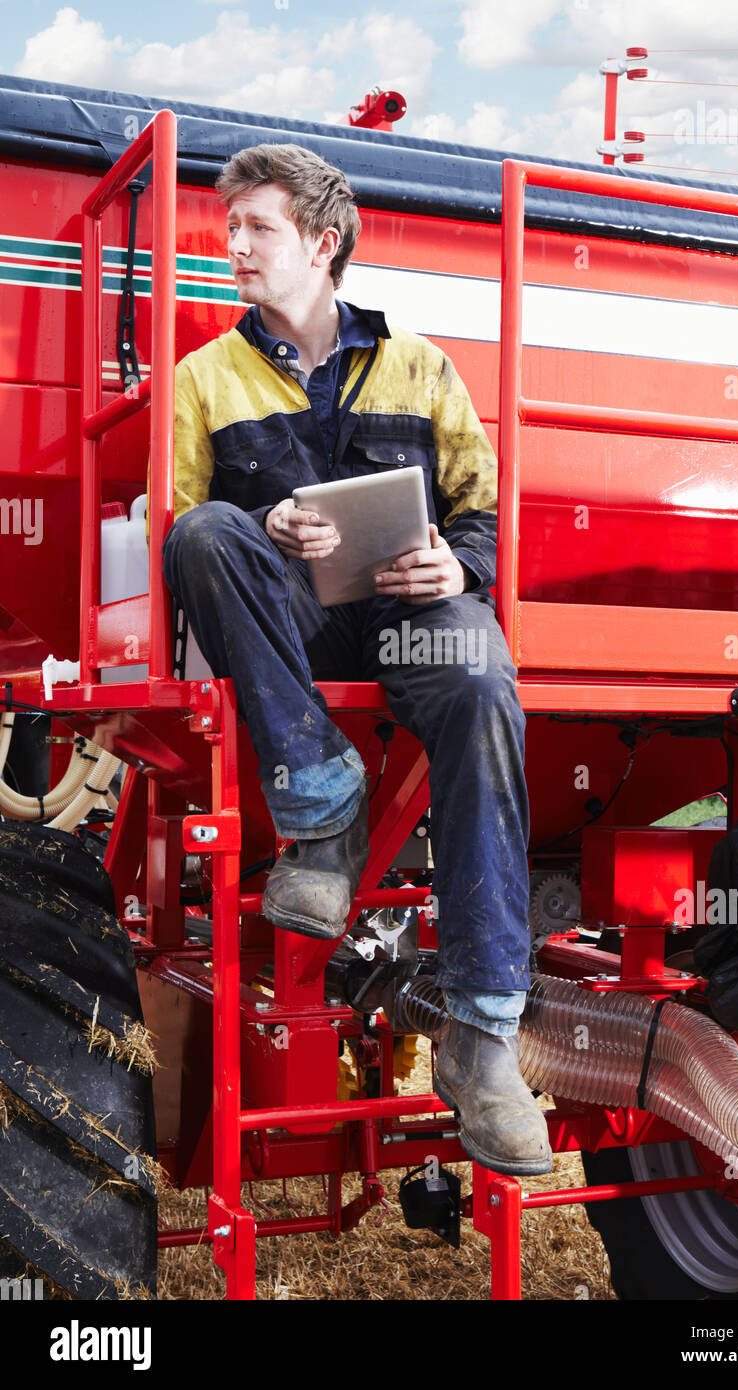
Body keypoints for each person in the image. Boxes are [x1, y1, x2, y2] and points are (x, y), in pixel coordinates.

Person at [159, 142, 551, 1177]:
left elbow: (485, 516)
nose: (232, 246)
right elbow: (173, 531)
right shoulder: (202, 376)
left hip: (408, 618)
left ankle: (481, 1036)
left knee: (477, 673)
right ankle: (321, 804)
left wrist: (452, 568)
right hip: (285, 621)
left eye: (257, 229)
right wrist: (264, 520)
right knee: (206, 535)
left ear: (323, 243)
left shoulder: (422, 366)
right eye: (228, 226)